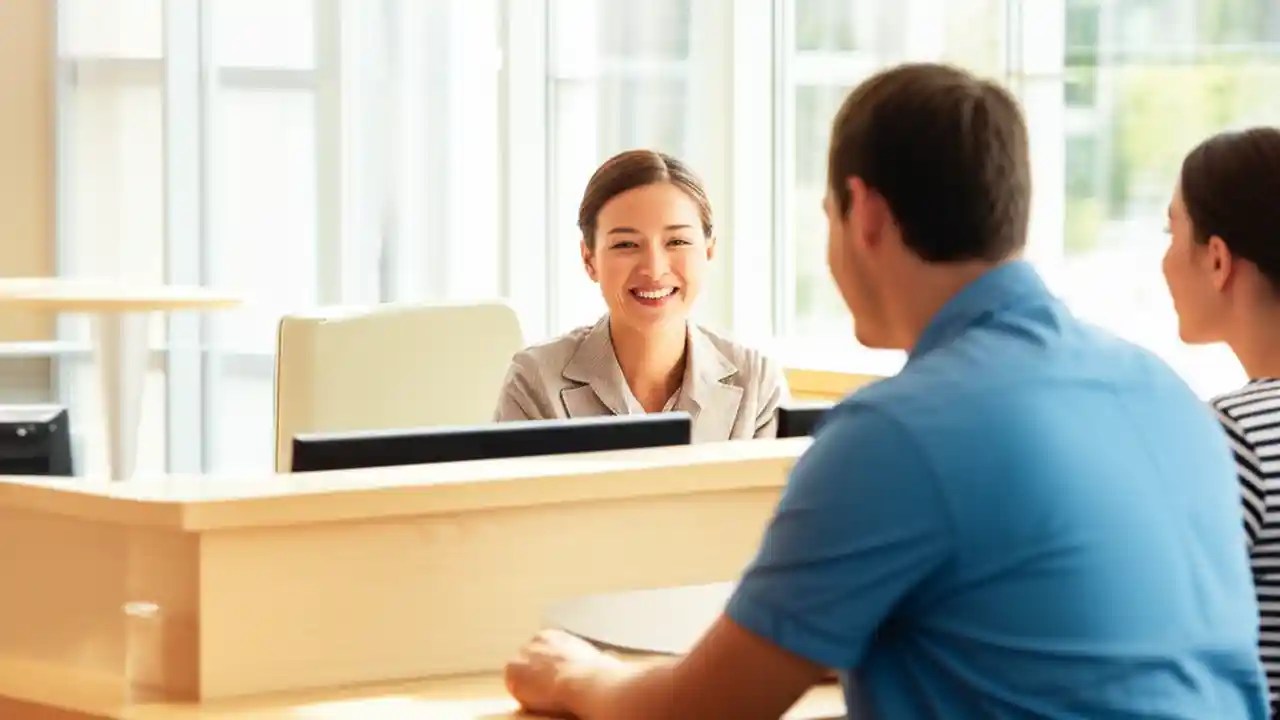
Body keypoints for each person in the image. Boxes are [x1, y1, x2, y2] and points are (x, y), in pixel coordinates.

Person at [502, 63, 1269, 719]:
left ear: (863, 213)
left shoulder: (894, 435)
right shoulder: (1163, 394)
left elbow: (701, 708)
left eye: (829, 214)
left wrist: (577, 674)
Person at [493, 149, 788, 442]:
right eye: (626, 245)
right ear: (589, 259)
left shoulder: (757, 383)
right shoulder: (535, 382)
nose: (654, 269)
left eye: (677, 241)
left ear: (709, 250)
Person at [1162, 126, 1280, 715]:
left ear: (1217, 259)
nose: (1163, 262)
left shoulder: (1232, 438)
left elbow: (1156, 635)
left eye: (1171, 231)